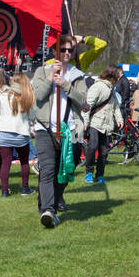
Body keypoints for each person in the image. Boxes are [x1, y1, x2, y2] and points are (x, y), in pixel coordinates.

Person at [30, 34, 88, 228]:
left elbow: (82, 100)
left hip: (69, 130)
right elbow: (38, 95)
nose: (66, 53)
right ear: (55, 50)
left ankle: (50, 203)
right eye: (62, 49)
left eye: (70, 50)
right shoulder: (41, 71)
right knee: (47, 169)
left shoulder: (77, 75)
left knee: (65, 171)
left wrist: (65, 83)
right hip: (45, 128)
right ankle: (48, 210)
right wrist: (49, 78)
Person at [0, 73, 35, 197]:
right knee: (24, 161)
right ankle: (24, 188)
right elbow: (32, 117)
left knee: (5, 163)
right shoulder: (28, 97)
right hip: (21, 133)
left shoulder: (3, 95)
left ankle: (4, 191)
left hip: (4, 132)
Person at [83, 66, 124, 184]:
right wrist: (85, 122)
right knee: (92, 147)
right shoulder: (97, 87)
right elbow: (87, 105)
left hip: (107, 125)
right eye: (118, 75)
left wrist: (119, 119)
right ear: (113, 76)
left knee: (104, 152)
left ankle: (100, 175)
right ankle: (89, 173)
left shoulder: (112, 90)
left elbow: (115, 107)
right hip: (95, 123)